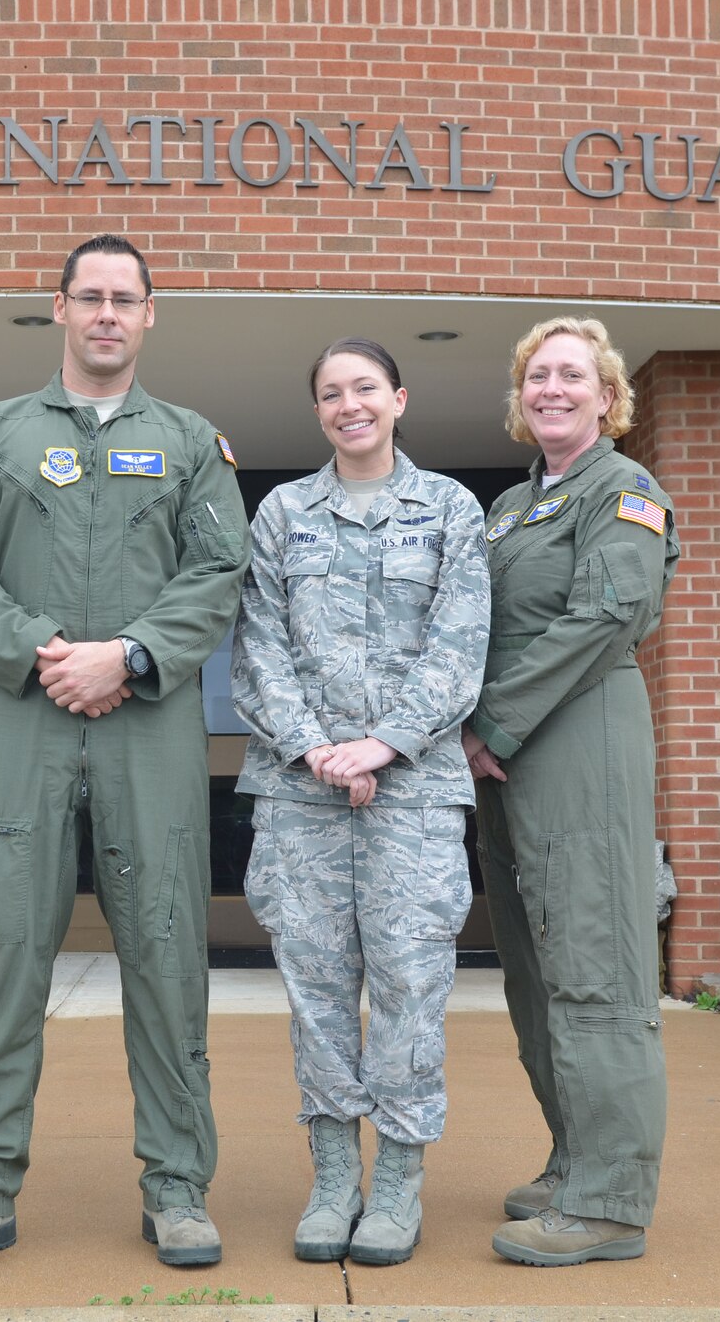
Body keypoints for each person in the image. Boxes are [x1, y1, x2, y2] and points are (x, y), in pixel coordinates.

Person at [0, 234, 252, 1273]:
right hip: (20, 716)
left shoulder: (190, 442)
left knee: (165, 951)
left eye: (125, 298)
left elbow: (218, 568)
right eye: (90, 296)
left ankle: (177, 1186)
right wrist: (40, 650)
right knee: (1, 950)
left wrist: (130, 654)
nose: (107, 313)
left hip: (147, 721)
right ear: (57, 308)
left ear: (150, 314)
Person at [231, 338, 490, 1266]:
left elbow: (460, 645)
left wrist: (381, 745)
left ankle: (400, 1179)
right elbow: (258, 644)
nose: (351, 405)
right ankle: (335, 1174)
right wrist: (317, 749)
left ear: (398, 399)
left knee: (411, 988)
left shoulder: (450, 508)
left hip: (412, 796)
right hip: (300, 794)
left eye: (366, 388)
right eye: (333, 392)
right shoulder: (282, 513)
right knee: (317, 991)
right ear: (318, 410)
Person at [461, 316, 679, 1267]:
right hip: (509, 756)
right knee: (534, 967)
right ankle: (574, 1157)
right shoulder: (512, 506)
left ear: (607, 396)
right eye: (537, 375)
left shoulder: (623, 488)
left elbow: (609, 612)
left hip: (578, 737)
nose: (552, 388)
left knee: (594, 961)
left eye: (572, 374)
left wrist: (493, 723)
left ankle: (610, 1203)